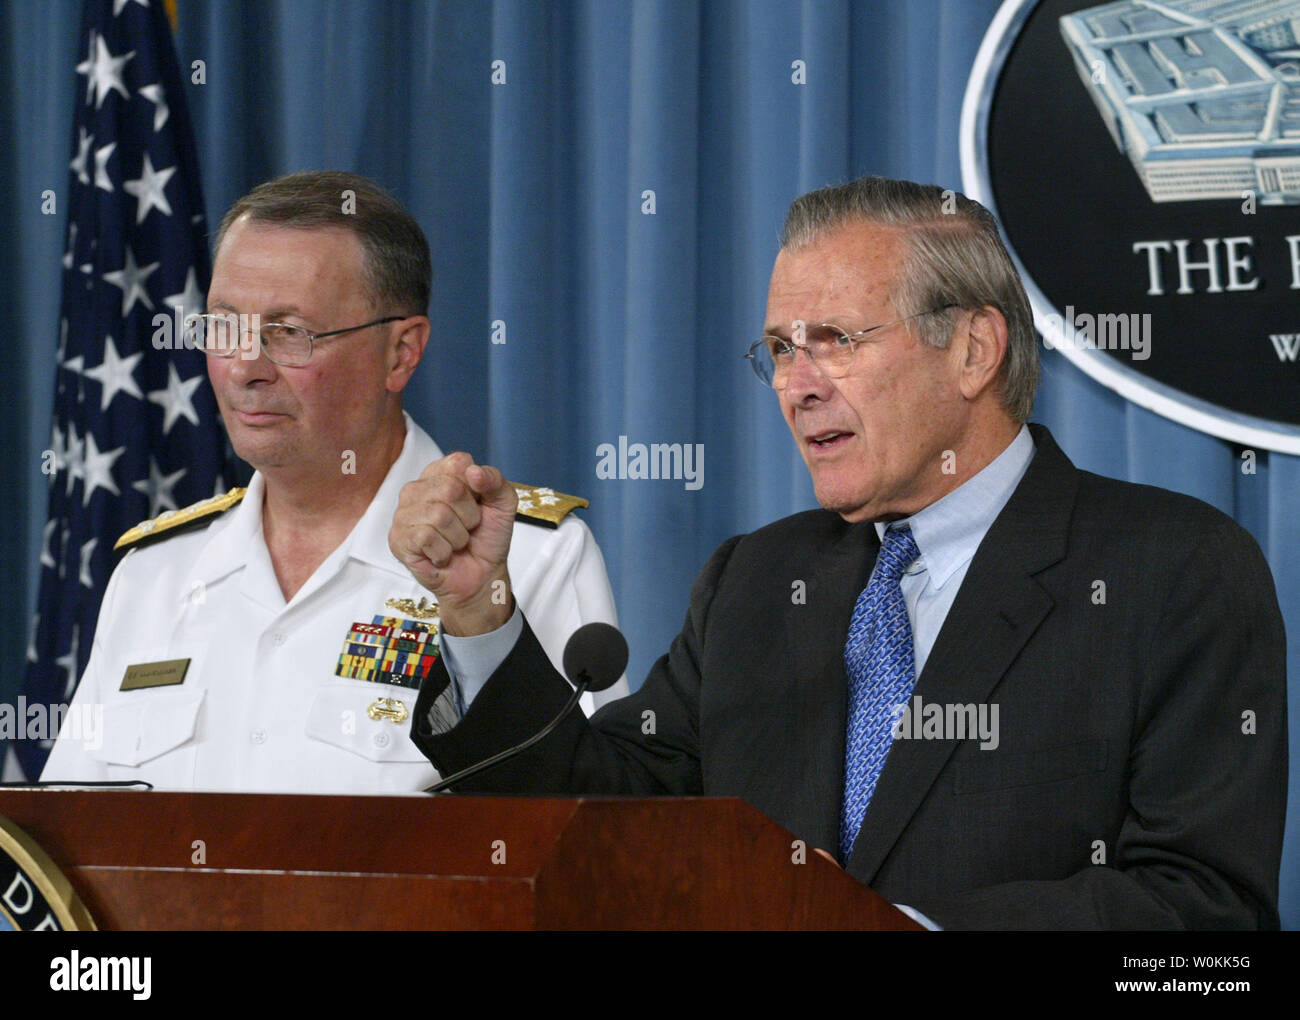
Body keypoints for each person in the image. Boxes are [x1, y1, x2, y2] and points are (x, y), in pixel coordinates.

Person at [393, 176, 1287, 929]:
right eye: (781, 349)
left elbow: (1204, 926)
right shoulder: (758, 580)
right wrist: (478, 614)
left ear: (974, 349)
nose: (795, 385)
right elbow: (601, 819)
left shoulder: (1173, 570)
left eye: (837, 342)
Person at [41, 171, 627, 794]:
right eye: (224, 325)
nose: (244, 367)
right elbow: (62, 850)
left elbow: (591, 837)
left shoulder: (528, 558)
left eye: (290, 333)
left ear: (401, 352)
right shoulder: (153, 576)